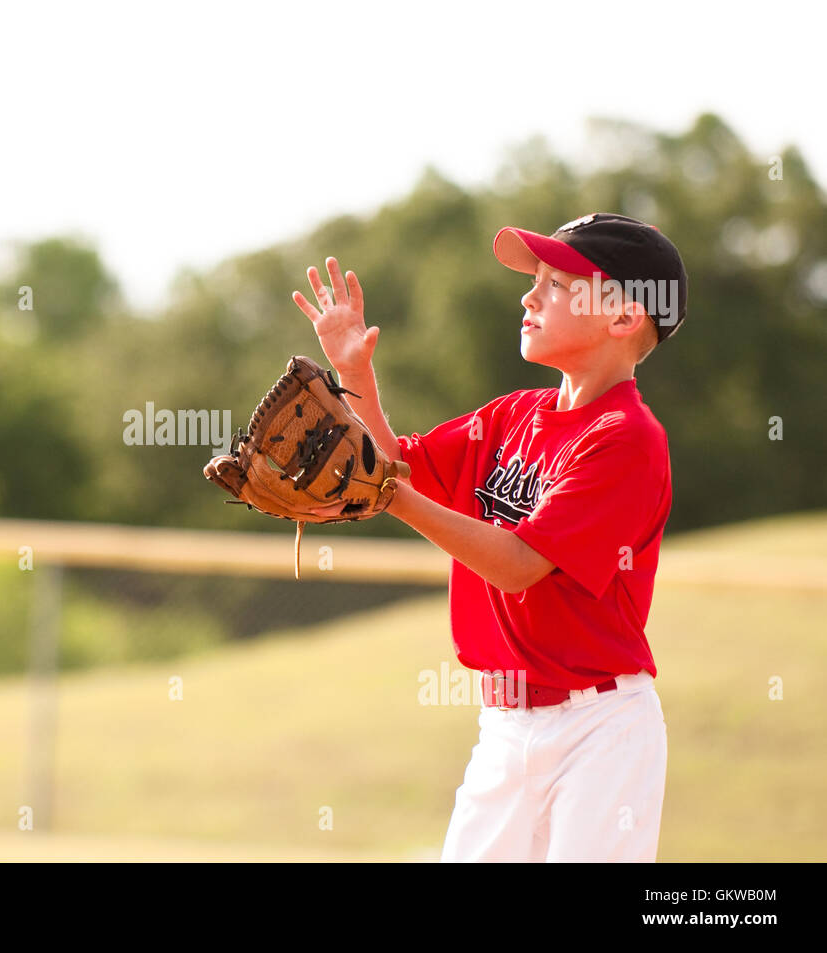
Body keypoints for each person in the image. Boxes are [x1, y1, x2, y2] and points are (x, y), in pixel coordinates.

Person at [292, 213, 686, 862]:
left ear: (623, 318)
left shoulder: (626, 439)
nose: (530, 296)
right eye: (536, 279)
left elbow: (519, 563)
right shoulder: (511, 416)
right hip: (504, 727)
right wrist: (353, 374)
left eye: (558, 282)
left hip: (599, 732)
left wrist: (392, 494)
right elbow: (389, 462)